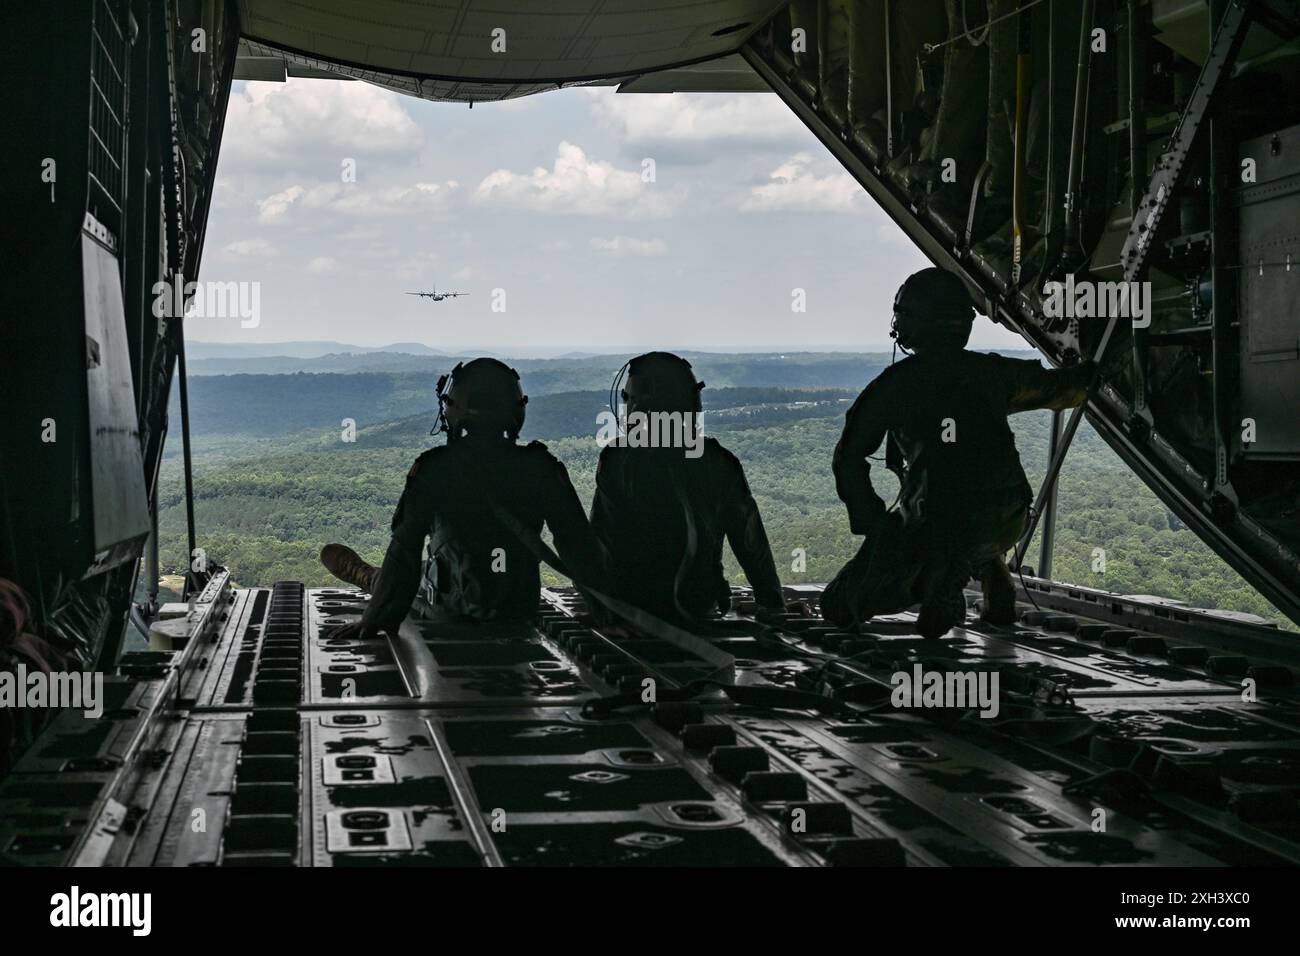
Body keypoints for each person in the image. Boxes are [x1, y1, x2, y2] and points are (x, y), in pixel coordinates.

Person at [823, 268, 1093, 637]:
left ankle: (940, 580)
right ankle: (989, 584)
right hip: (1006, 518)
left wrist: (873, 521)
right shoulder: (993, 373)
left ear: (910, 322)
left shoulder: (896, 385)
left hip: (934, 520)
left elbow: (849, 458)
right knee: (975, 526)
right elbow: (1069, 390)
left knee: (839, 604)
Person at [320, 358, 606, 637]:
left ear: (453, 409)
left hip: (449, 606)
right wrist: (606, 615)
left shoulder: (433, 468)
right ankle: (371, 577)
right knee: (423, 571)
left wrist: (375, 618)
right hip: (517, 607)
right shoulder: (542, 467)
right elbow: (578, 546)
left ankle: (368, 578)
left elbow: (404, 549)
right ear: (516, 409)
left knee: (417, 575)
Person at [589, 352, 786, 622]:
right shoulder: (718, 461)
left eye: (631, 399)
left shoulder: (617, 459)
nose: (628, 408)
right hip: (699, 606)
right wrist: (773, 602)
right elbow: (750, 542)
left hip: (630, 610)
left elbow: (599, 541)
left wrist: (602, 608)